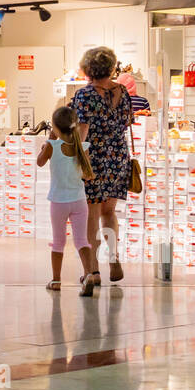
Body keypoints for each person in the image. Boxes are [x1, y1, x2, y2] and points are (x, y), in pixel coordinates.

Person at [73, 46, 132, 284]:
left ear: (88, 68)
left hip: (94, 159)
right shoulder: (123, 91)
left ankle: (93, 270)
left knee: (91, 215)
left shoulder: (84, 95)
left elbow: (82, 132)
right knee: (110, 212)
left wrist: (79, 162)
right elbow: (126, 123)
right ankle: (114, 257)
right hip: (118, 156)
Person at [37, 105, 96, 296]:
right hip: (79, 201)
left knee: (58, 242)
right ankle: (88, 274)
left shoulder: (51, 147)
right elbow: (89, 176)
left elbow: (39, 162)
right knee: (82, 241)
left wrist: (47, 143)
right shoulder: (82, 147)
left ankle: (56, 280)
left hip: (59, 202)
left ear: (54, 127)